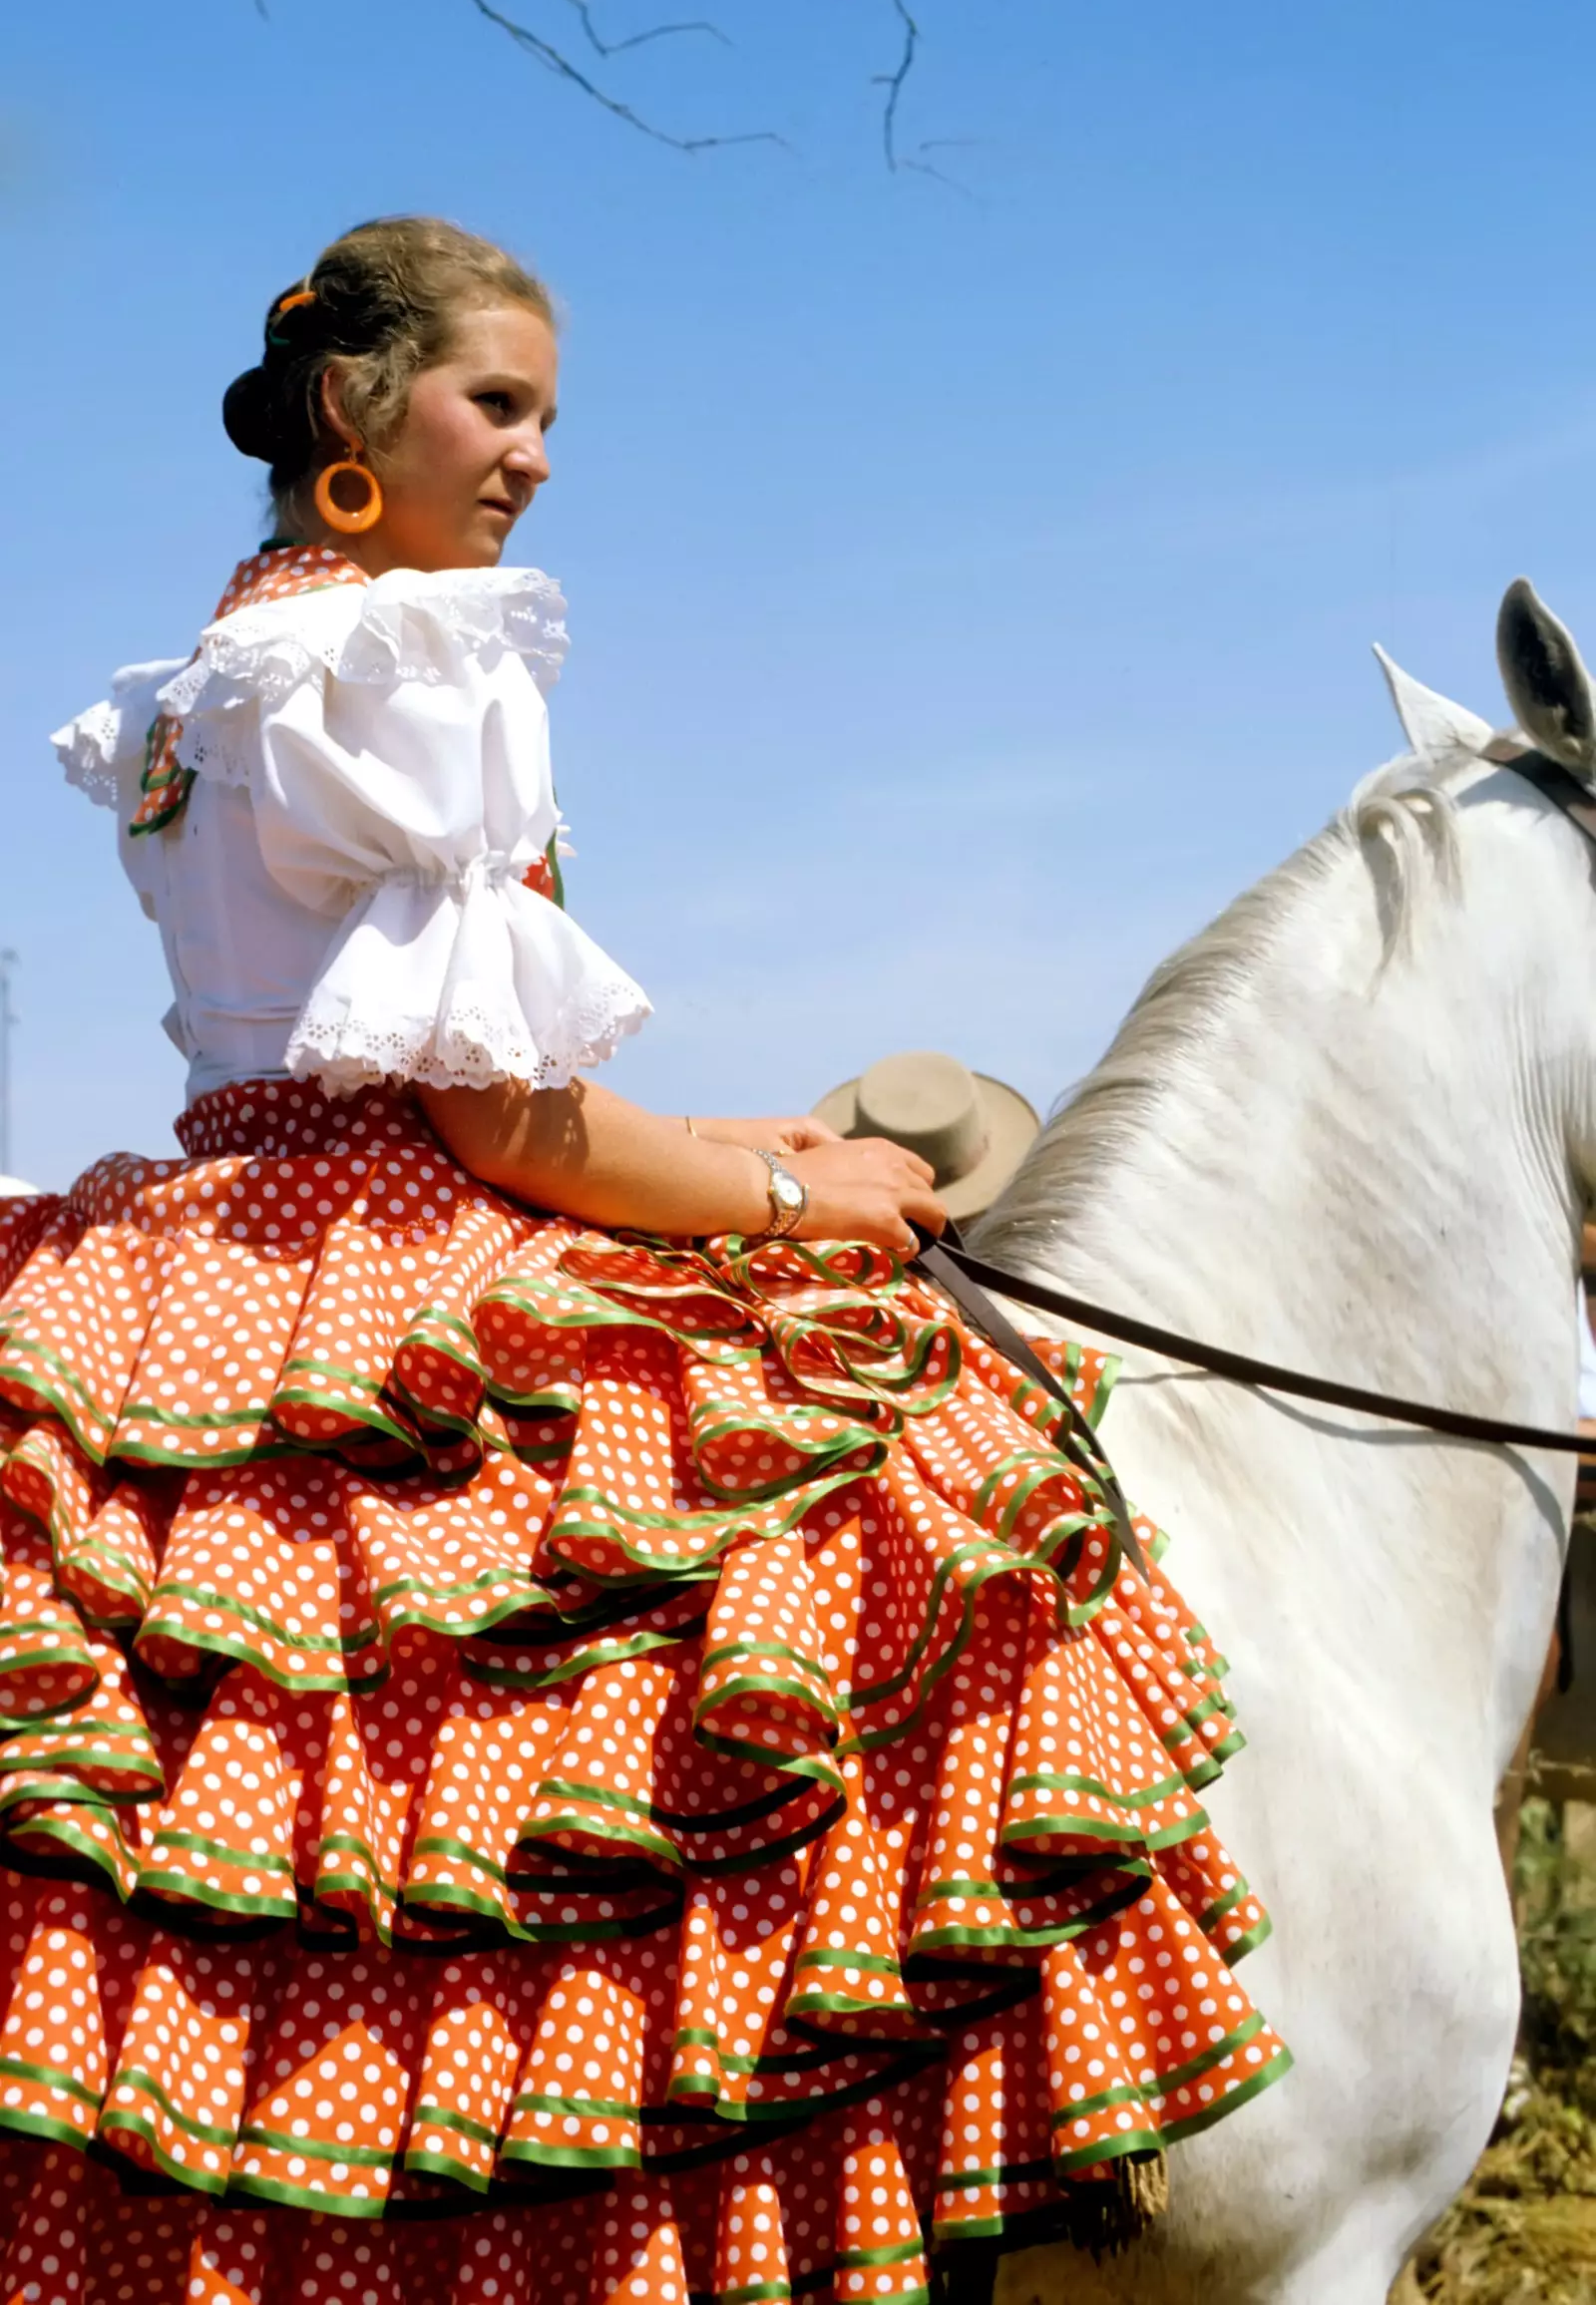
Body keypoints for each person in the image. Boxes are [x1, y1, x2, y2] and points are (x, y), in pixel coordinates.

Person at [0, 217, 1285, 2303]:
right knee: (910, 1494)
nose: (528, 457)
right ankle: (847, 2171)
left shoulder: (210, 676)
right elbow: (499, 1125)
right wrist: (813, 1202)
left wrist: (728, 1139)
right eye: (492, 403)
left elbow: (417, 1063)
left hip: (211, 1237)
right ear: (353, 408)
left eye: (544, 418)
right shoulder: (417, 665)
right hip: (402, 1242)